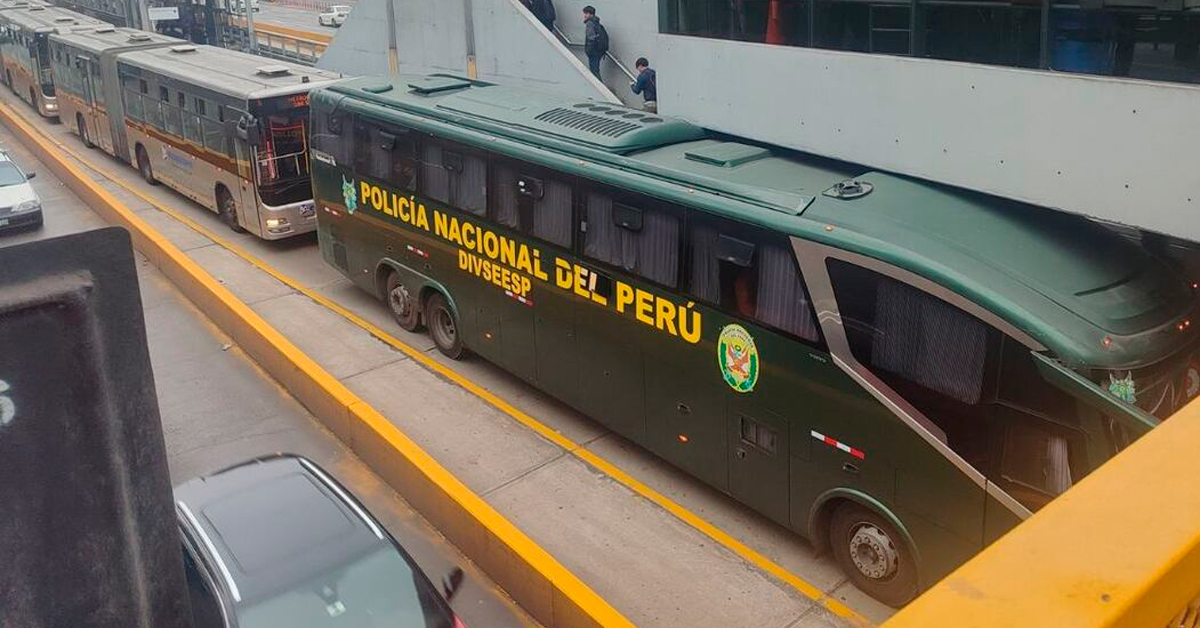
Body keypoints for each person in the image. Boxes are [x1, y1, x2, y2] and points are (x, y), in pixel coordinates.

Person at [583, 5, 609, 80]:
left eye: (586, 13)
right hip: (599, 50)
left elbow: (591, 38)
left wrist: (588, 51)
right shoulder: (597, 23)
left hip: (594, 51)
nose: (585, 15)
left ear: (591, 14)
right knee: (595, 70)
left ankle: (600, 86)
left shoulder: (590, 23)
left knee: (594, 71)